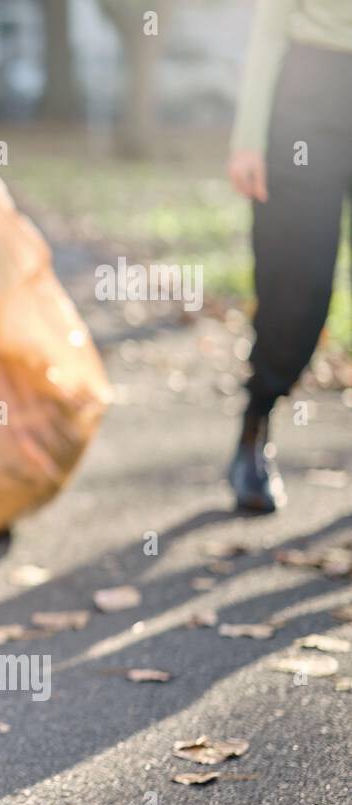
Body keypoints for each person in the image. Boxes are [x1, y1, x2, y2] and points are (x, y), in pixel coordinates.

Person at [225, 0, 352, 513]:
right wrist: (249, 138)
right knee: (298, 287)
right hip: (310, 98)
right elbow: (270, 24)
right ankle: (256, 425)